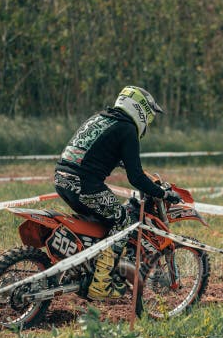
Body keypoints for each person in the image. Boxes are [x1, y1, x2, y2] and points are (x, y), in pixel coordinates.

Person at [54, 85, 182, 300]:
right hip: (85, 185)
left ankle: (84, 266)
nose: (149, 120)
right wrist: (163, 194)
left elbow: (107, 155)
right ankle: (100, 285)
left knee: (102, 222)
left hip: (61, 178)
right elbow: (136, 177)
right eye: (150, 114)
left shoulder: (102, 118)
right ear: (140, 109)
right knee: (123, 222)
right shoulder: (127, 129)